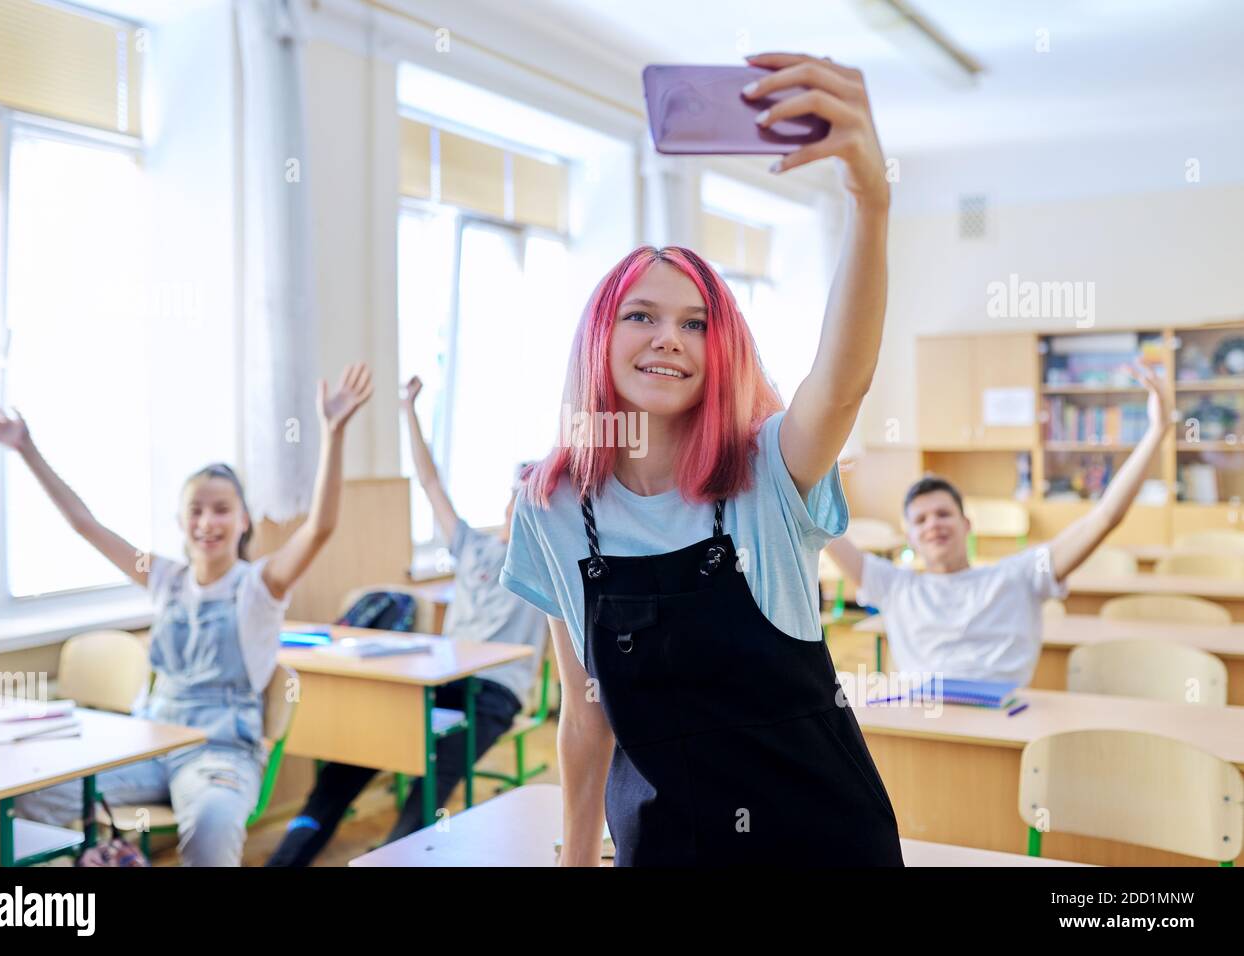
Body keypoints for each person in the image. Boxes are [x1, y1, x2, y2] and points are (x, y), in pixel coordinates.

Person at [501, 51, 902, 866]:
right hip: (662, 845)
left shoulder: (769, 469)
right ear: (599, 338)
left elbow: (845, 383)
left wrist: (870, 198)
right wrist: (576, 858)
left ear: (721, 347)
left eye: (695, 323)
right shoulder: (549, 506)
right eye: (641, 316)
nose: (669, 341)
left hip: (819, 840)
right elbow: (587, 713)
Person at [0, 363, 374, 866]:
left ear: (244, 519)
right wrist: (27, 450)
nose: (207, 521)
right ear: (180, 520)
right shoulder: (162, 576)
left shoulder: (260, 586)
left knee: (212, 825)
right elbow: (86, 525)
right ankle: (106, 860)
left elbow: (319, 529)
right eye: (195, 509)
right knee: (25, 795)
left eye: (220, 509)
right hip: (147, 746)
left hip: (219, 755)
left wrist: (334, 432)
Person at [265, 375, 549, 865]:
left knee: (429, 791)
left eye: (538, 498)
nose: (522, 506)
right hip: (437, 683)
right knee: (346, 762)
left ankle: (397, 854)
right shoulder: (471, 547)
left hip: (493, 696)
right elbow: (430, 481)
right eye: (517, 493)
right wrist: (408, 411)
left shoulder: (548, 564)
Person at [826, 360, 1173, 687]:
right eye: (921, 519)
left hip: (1001, 719)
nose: (933, 524)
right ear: (909, 536)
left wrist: (1156, 432)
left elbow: (1103, 519)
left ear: (967, 525)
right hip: (928, 721)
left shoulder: (1018, 575)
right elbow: (822, 529)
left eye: (944, 514)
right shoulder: (895, 586)